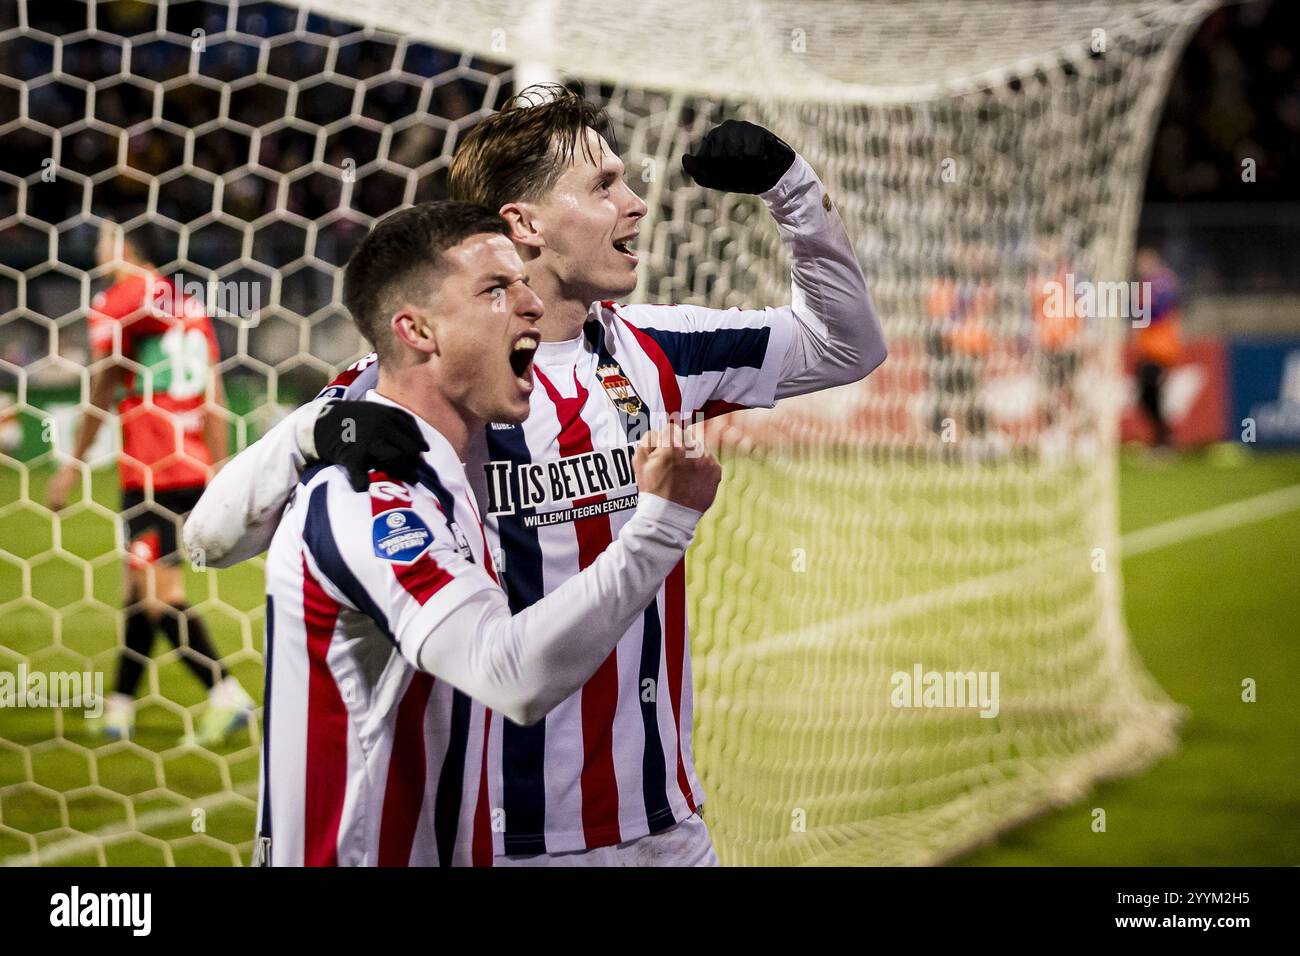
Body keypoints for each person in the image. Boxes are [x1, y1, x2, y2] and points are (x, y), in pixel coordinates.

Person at [187, 86, 888, 865]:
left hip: (666, 823)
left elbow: (845, 346)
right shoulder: (414, 386)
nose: (635, 205)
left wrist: (792, 192)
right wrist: (310, 430)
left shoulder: (662, 349)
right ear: (524, 223)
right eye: (603, 186)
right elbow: (212, 537)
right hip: (505, 838)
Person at [257, 201, 719, 866]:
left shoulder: (454, 479)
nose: (531, 305)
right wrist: (663, 525)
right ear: (417, 330)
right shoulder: (371, 498)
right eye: (497, 290)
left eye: (522, 283)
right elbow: (509, 673)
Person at [47, 220, 251, 745]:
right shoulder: (188, 303)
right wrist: (219, 465)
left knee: (160, 596)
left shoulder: (119, 300)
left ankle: (226, 694)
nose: (97, 249)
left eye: (106, 239)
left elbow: (102, 387)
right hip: (192, 462)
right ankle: (118, 705)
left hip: (152, 469)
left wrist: (72, 465)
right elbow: (214, 393)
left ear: (128, 248)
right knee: (138, 591)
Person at [1133, 247, 1184, 450]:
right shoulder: (1144, 285)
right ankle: (1161, 438)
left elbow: (1157, 310)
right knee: (1146, 396)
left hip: (1161, 349)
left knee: (1152, 393)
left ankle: (1164, 439)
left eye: (1144, 261)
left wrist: (1138, 306)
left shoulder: (1162, 281)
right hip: (1149, 348)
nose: (1141, 266)